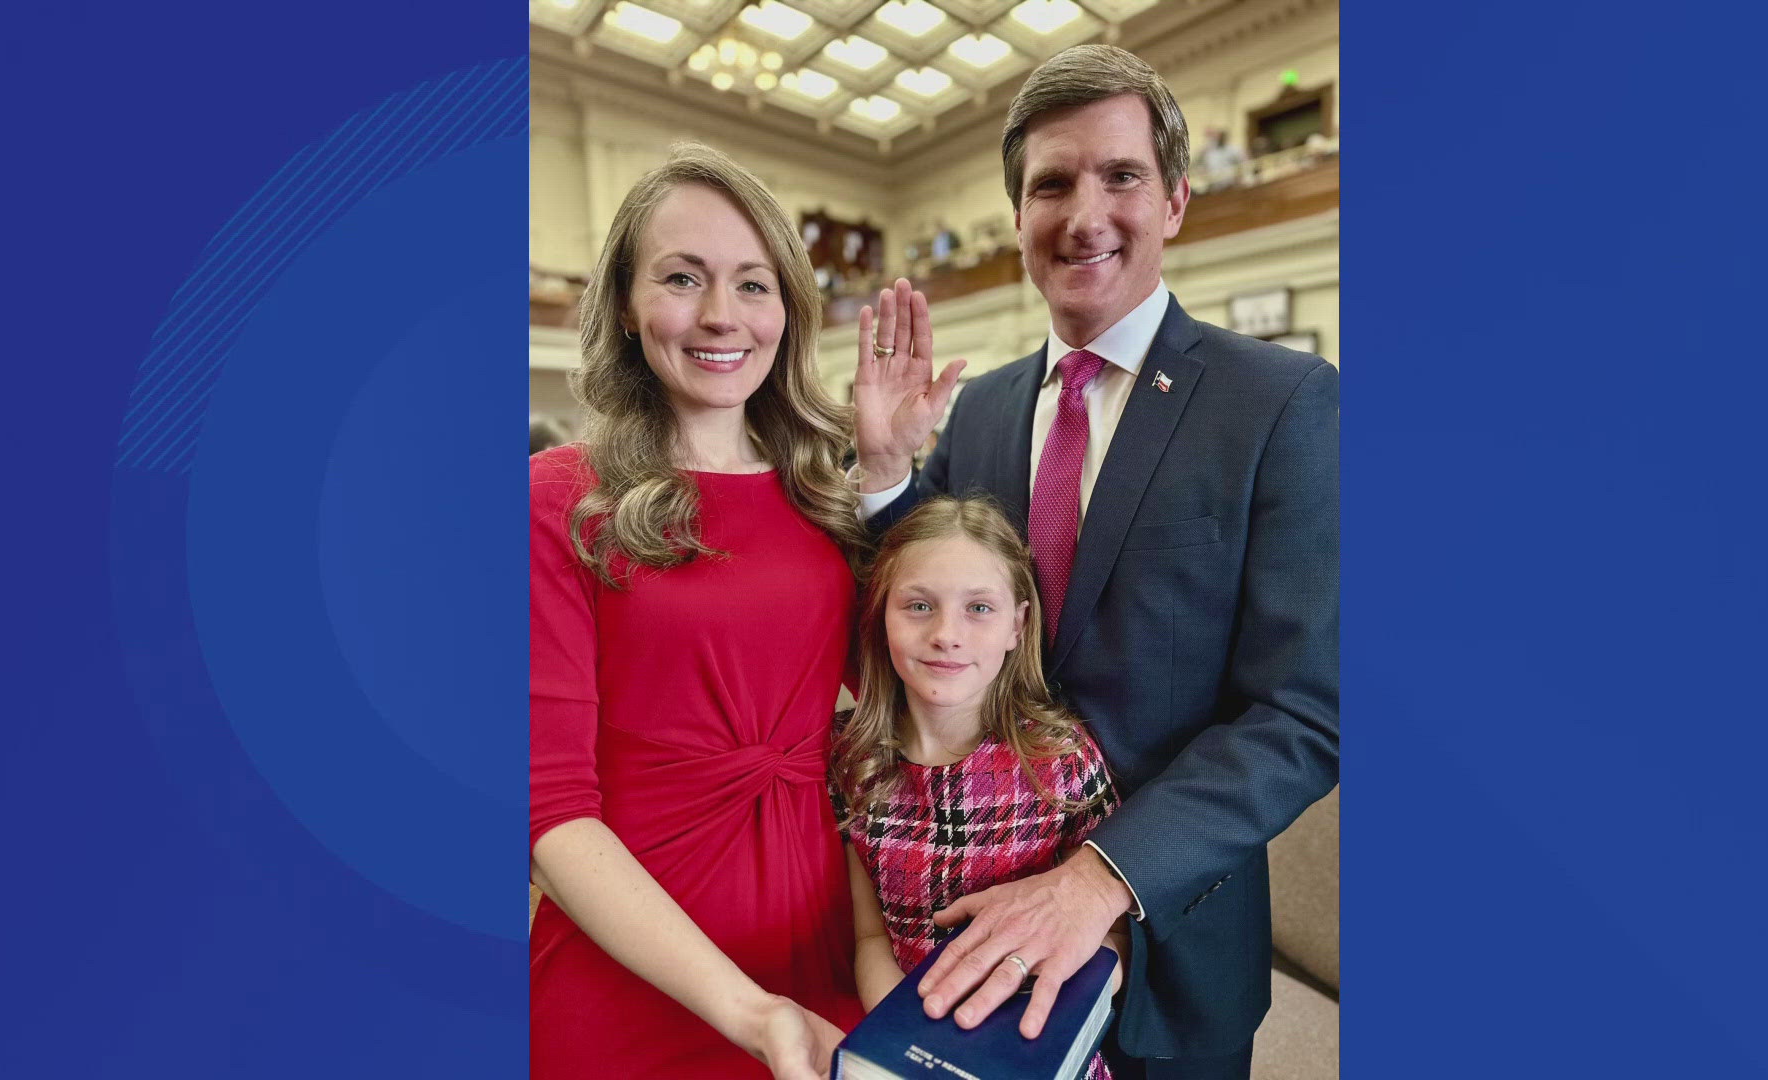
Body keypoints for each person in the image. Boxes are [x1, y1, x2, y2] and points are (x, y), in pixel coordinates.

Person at [851, 45, 1340, 1080]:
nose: (1084, 215)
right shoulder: (977, 409)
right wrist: (887, 474)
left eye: (1120, 176)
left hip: (1175, 940)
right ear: (1019, 214)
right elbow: (932, 603)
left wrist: (1101, 877)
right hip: (976, 933)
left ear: (1174, 200)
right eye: (1052, 184)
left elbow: (1305, 712)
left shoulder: (1283, 404)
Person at [529, 144, 867, 1079]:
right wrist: (748, 1013)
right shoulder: (556, 499)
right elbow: (549, 814)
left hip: (820, 945)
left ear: (787, 312)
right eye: (683, 277)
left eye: (754, 284)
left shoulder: (823, 500)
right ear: (629, 311)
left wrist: (887, 475)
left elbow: (905, 697)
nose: (722, 315)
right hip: (640, 969)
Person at [829, 496, 1126, 1080]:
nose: (946, 634)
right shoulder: (852, 762)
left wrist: (1036, 1031)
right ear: (880, 614)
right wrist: (903, 1047)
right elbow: (869, 935)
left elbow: (1112, 936)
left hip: (1031, 1048)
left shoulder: (1060, 758)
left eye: (979, 609)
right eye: (918, 606)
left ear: (1018, 625)